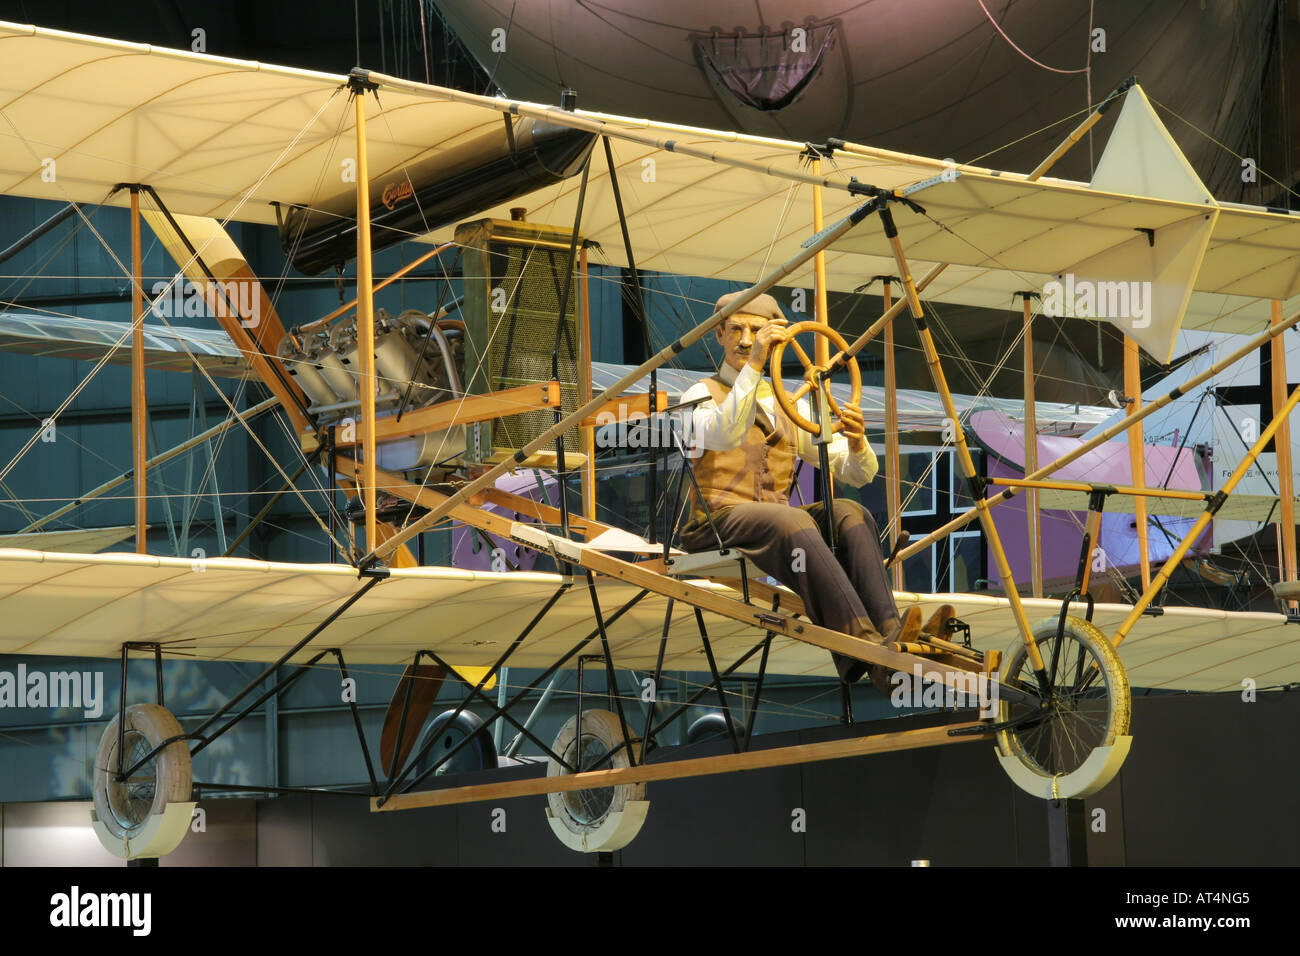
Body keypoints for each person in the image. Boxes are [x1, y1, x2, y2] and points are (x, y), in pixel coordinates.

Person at [677, 291, 948, 688]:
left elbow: (856, 474)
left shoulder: (788, 402)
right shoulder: (699, 394)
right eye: (736, 330)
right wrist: (755, 366)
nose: (747, 341)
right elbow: (724, 433)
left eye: (757, 331)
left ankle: (893, 636)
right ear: (719, 334)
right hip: (713, 525)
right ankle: (867, 648)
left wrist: (857, 442)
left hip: (776, 526)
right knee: (791, 519)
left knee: (850, 513)